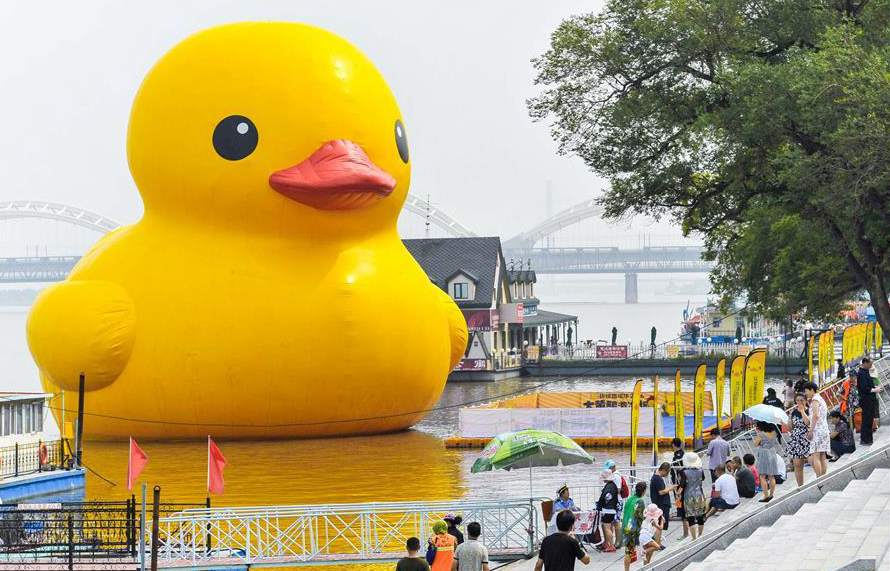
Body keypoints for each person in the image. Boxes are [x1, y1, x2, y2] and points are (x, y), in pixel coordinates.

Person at [677, 452, 707, 540]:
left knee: (690, 517)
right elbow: (703, 478)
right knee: (700, 516)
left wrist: (678, 493)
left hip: (688, 496)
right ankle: (700, 535)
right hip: (700, 494)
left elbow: (682, 485)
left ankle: (694, 538)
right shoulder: (701, 470)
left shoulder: (684, 472)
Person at [803, 381, 830, 477]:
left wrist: (810, 430)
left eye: (806, 391)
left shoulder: (815, 399)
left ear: (811, 390)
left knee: (816, 456)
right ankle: (823, 477)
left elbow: (816, 415)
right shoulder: (820, 398)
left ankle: (819, 478)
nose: (805, 393)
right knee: (822, 455)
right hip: (824, 429)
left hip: (817, 430)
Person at [786, 393, 811, 486]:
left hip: (807, 439)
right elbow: (790, 428)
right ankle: (800, 485)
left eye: (802, 400)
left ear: (806, 401)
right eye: (797, 400)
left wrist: (802, 412)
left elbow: (808, 423)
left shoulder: (809, 411)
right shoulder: (793, 412)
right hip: (796, 440)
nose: (800, 402)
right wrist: (788, 419)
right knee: (797, 465)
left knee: (812, 460)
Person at [754, 422, 782, 502]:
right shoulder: (774, 432)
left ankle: (766, 496)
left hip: (764, 453)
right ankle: (771, 494)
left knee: (762, 476)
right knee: (771, 475)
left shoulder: (760, 434)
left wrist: (757, 434)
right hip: (772, 452)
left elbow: (755, 444)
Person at [649, 462, 675, 542]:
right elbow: (661, 492)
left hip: (660, 503)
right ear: (663, 470)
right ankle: (657, 542)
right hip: (662, 504)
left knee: (661, 523)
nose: (667, 474)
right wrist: (671, 488)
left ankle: (657, 540)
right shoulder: (658, 479)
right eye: (667, 472)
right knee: (661, 524)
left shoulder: (656, 477)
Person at [594, 469, 619, 553]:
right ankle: (606, 543)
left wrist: (599, 505)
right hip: (612, 510)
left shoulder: (609, 487)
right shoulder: (613, 485)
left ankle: (611, 545)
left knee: (607, 528)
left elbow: (606, 497)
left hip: (607, 510)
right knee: (607, 527)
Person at [857, 358, 880, 446]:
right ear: (865, 363)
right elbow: (864, 388)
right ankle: (865, 439)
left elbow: (868, 384)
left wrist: (874, 388)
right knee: (866, 420)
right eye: (870, 364)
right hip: (866, 400)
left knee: (869, 420)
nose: (871, 366)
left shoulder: (866, 371)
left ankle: (868, 439)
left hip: (869, 399)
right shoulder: (861, 373)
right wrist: (874, 390)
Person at [622, 495, 645, 571]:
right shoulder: (640, 501)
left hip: (626, 526)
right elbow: (639, 516)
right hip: (633, 530)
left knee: (628, 551)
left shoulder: (630, 499)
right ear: (644, 491)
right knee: (629, 552)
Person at [670, 438, 687, 538]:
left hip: (678, 481)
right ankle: (679, 509)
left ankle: (679, 510)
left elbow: (679, 470)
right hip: (679, 481)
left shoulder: (677, 456)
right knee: (678, 497)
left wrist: (678, 482)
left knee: (678, 497)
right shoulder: (683, 454)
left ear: (673, 445)